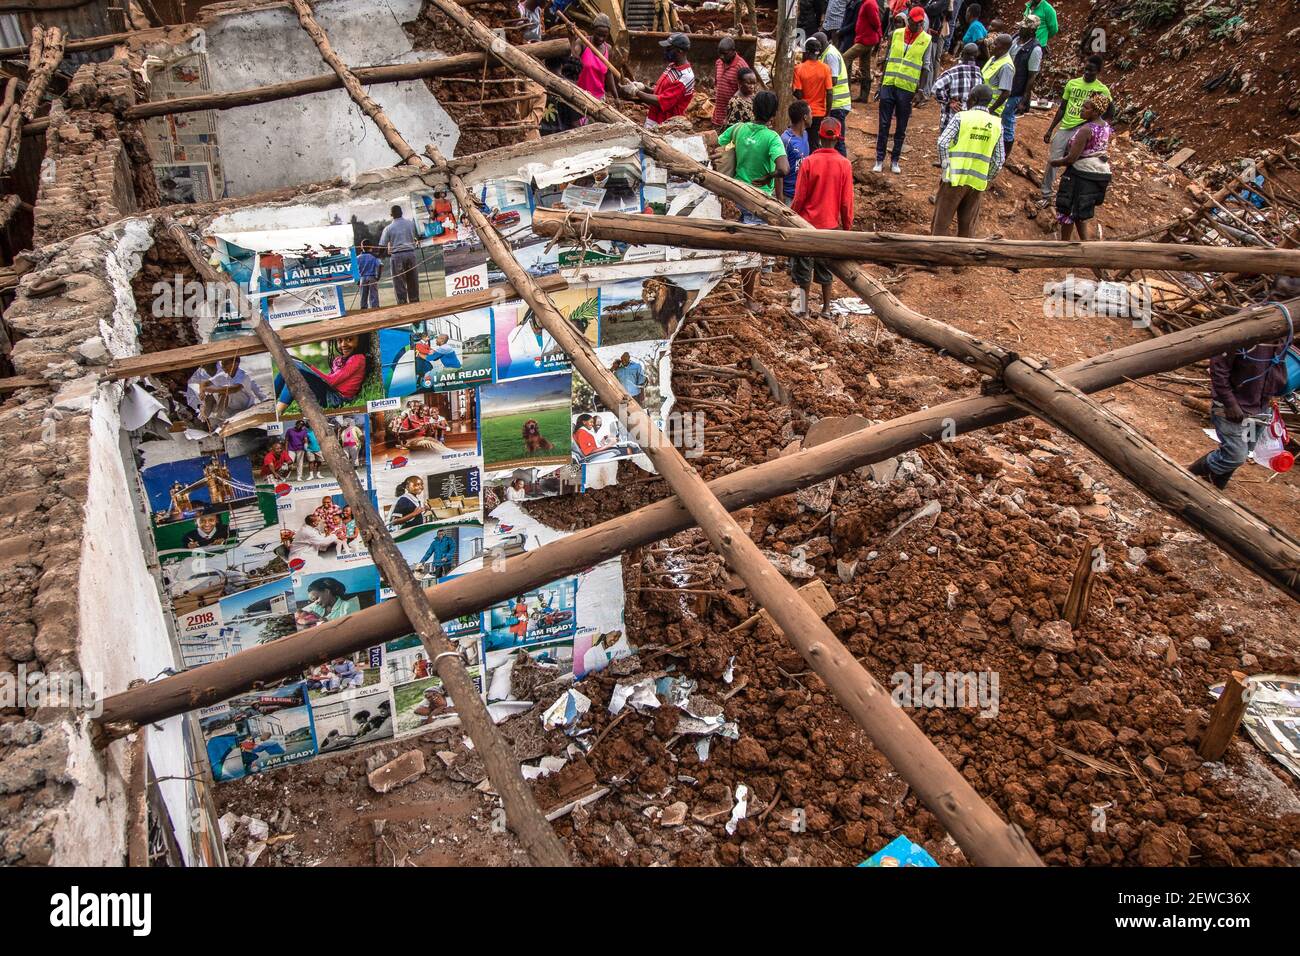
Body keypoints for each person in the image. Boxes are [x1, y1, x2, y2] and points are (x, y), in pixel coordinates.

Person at [1188, 316, 1291, 490]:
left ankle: (1215, 486)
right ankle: (1190, 475)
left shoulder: (1285, 331)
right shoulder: (1247, 326)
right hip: (1232, 410)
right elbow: (1218, 368)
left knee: (1244, 450)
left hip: (1259, 411)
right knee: (1235, 456)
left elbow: (1278, 368)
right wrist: (1230, 403)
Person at [718, 91, 790, 298]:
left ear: (753, 109)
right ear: (774, 114)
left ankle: (737, 284)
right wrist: (770, 176)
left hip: (735, 194)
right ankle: (748, 299)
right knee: (751, 251)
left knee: (736, 242)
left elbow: (719, 143)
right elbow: (784, 169)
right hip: (757, 201)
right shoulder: (772, 138)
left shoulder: (738, 129)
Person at [791, 117, 855, 316]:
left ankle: (803, 309)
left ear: (818, 138)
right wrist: (847, 228)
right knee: (826, 271)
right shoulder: (844, 164)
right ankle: (826, 309)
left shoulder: (809, 162)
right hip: (829, 227)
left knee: (803, 272)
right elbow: (846, 202)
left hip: (806, 226)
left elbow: (800, 196)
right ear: (838, 140)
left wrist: (791, 216)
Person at [932, 83, 1003, 238]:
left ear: (974, 99)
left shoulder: (961, 117)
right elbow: (999, 160)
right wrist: (986, 176)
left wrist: (946, 168)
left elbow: (942, 143)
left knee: (941, 224)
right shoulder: (997, 124)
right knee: (967, 227)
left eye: (969, 97)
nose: (967, 100)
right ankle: (964, 259)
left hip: (954, 178)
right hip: (976, 182)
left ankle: (934, 258)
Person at [1040, 55, 1109, 207]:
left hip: (1083, 129)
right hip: (1066, 126)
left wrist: (1096, 127)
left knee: (1075, 162)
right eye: (1085, 69)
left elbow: (1109, 111)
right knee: (1054, 159)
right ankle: (1046, 194)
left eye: (1091, 70)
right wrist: (1051, 129)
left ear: (1098, 71)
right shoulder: (1073, 83)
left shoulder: (1102, 90)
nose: (1086, 72)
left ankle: (1068, 195)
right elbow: (1062, 107)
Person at [875, 7, 931, 174]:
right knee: (883, 124)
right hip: (889, 83)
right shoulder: (897, 34)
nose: (918, 25)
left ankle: (895, 160)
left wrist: (920, 89)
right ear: (909, 20)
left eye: (921, 22)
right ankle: (879, 159)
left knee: (901, 126)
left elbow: (925, 67)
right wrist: (880, 84)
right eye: (915, 22)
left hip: (906, 89)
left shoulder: (926, 39)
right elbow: (888, 59)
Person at [1051, 93, 1113, 241]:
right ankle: (1086, 246)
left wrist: (1054, 163)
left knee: (1068, 210)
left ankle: (1064, 247)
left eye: (1086, 107)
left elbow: (1072, 158)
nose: (1082, 109)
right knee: (1080, 210)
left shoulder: (1086, 130)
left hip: (1080, 174)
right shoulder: (1105, 127)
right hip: (1097, 173)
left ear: (1096, 112)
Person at [272, 333, 370, 415]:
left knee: (296, 375)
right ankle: (270, 404)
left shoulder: (358, 359)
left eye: (349, 339)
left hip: (337, 399)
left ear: (360, 340)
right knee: (286, 371)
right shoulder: (339, 360)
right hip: (329, 392)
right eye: (340, 341)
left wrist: (308, 366)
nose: (343, 344)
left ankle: (278, 413)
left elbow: (331, 381)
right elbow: (327, 379)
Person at [621, 33, 694, 128]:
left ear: (679, 51)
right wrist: (643, 87)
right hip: (654, 118)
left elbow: (661, 101)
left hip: (666, 125)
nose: (665, 51)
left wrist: (636, 92)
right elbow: (660, 93)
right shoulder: (672, 66)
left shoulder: (685, 76)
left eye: (669, 49)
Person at [1002, 17, 1042, 156]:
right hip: (1005, 83)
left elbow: (1032, 76)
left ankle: (1005, 153)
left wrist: (1024, 99)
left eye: (1023, 28)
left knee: (1007, 119)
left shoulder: (1035, 49)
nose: (1020, 29)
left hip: (1016, 89)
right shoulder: (1015, 40)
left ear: (1031, 30)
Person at [813, 31, 853, 156]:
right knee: (833, 139)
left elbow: (833, 80)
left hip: (837, 103)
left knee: (837, 139)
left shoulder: (830, 55)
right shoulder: (826, 53)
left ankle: (844, 170)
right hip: (836, 103)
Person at [932, 42, 983, 135]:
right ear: (977, 55)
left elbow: (936, 89)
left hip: (951, 121)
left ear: (962, 54)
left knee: (946, 147)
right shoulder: (979, 75)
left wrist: (949, 101)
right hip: (970, 123)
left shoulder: (952, 72)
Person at [842, 0, 882, 102]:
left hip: (866, 40)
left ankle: (845, 91)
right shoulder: (867, 3)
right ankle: (864, 96)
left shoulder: (869, 3)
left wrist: (877, 35)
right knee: (864, 66)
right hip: (865, 39)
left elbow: (876, 22)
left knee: (845, 58)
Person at [379, 206, 420, 305]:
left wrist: (379, 256)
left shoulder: (388, 228)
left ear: (391, 215)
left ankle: (402, 302)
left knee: (399, 281)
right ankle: (414, 301)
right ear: (402, 213)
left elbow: (382, 245)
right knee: (413, 279)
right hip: (410, 254)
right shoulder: (410, 224)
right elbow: (418, 236)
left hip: (397, 256)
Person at [792, 37, 834, 131]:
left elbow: (798, 93)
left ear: (806, 52)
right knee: (814, 141)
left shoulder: (798, 68)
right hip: (820, 112)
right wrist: (828, 113)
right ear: (819, 52)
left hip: (804, 113)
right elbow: (830, 92)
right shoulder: (826, 69)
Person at [572, 14, 614, 104]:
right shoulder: (583, 42)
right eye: (598, 34)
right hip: (580, 95)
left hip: (598, 98)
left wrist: (616, 96)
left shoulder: (608, 49)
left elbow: (609, 74)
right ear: (593, 30)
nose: (601, 38)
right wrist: (571, 38)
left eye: (604, 36)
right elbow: (573, 59)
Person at [712, 35, 751, 128]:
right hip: (718, 116)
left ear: (733, 51)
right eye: (720, 53)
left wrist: (733, 116)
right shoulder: (718, 63)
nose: (722, 56)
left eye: (725, 54)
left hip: (733, 120)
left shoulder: (741, 66)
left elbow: (746, 95)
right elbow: (718, 85)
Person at [781, 99, 813, 203]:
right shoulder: (786, 140)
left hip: (803, 194)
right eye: (811, 113)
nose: (812, 116)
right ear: (805, 117)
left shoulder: (806, 135)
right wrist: (780, 198)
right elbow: (779, 171)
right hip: (789, 196)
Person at [981, 33, 1014, 116]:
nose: (992, 46)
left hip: (991, 109)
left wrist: (991, 109)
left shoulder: (1006, 66)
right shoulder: (993, 58)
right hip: (983, 105)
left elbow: (1006, 92)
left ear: (1004, 48)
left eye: (996, 44)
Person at [356, 244, 382, 309]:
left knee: (363, 295)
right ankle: (375, 308)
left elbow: (355, 269)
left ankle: (363, 308)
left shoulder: (357, 257)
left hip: (362, 278)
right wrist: (378, 277)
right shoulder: (374, 256)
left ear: (362, 247)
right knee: (373, 294)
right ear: (371, 247)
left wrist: (358, 280)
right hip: (372, 277)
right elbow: (380, 265)